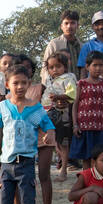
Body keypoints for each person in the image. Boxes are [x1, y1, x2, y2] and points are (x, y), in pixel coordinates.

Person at [0, 65, 55, 204]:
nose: (19, 86)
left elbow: (47, 125)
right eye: (15, 83)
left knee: (27, 196)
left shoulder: (35, 108)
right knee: (5, 197)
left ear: (29, 84)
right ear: (7, 84)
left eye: (23, 83)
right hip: (6, 162)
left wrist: (49, 133)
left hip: (26, 161)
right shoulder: (2, 107)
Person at [71, 51, 103, 174]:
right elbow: (75, 105)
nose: (98, 68)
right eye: (95, 65)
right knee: (86, 157)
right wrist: (75, 125)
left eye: (101, 65)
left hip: (101, 126)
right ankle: (86, 180)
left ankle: (99, 180)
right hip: (85, 126)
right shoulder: (81, 83)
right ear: (87, 67)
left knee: (101, 156)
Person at [41, 52, 77, 180]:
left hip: (62, 114)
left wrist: (59, 97)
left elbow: (72, 94)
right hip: (47, 113)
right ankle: (60, 164)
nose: (54, 70)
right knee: (54, 142)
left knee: (63, 143)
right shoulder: (49, 80)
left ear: (65, 67)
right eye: (51, 67)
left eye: (58, 66)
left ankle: (64, 170)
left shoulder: (68, 78)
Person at [42, 10, 82, 84]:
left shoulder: (81, 46)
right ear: (61, 26)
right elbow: (45, 66)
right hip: (59, 88)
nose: (69, 26)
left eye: (72, 23)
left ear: (77, 25)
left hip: (78, 88)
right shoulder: (54, 44)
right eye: (66, 23)